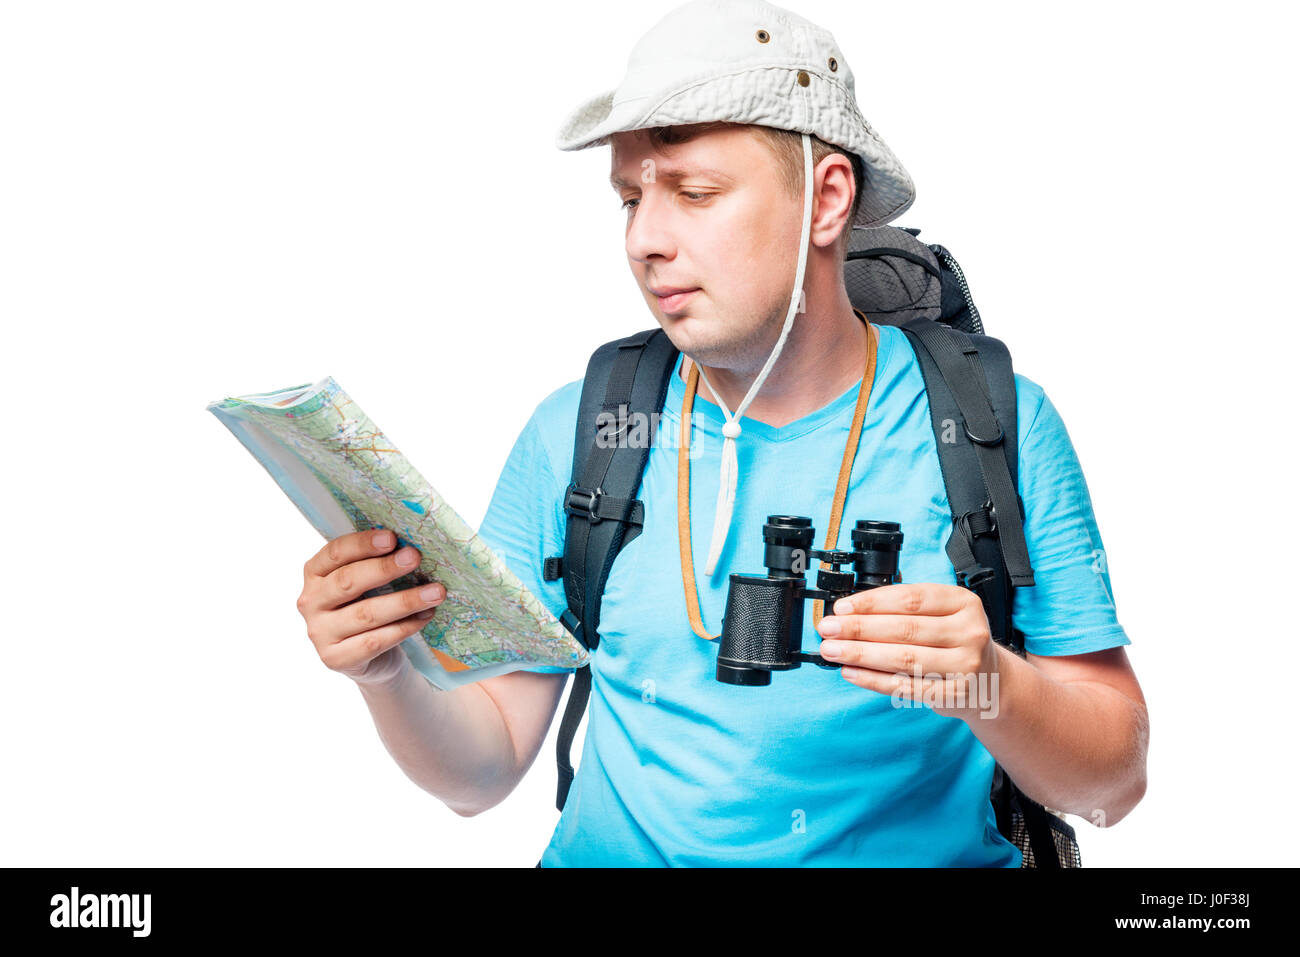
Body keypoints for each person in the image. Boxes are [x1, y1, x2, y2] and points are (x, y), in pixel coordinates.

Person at [295, 0, 1148, 866]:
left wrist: (989, 683)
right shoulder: (586, 430)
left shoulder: (991, 423)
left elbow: (1113, 788)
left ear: (826, 200)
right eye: (630, 198)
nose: (644, 238)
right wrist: (387, 673)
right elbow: (481, 771)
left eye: (695, 193)